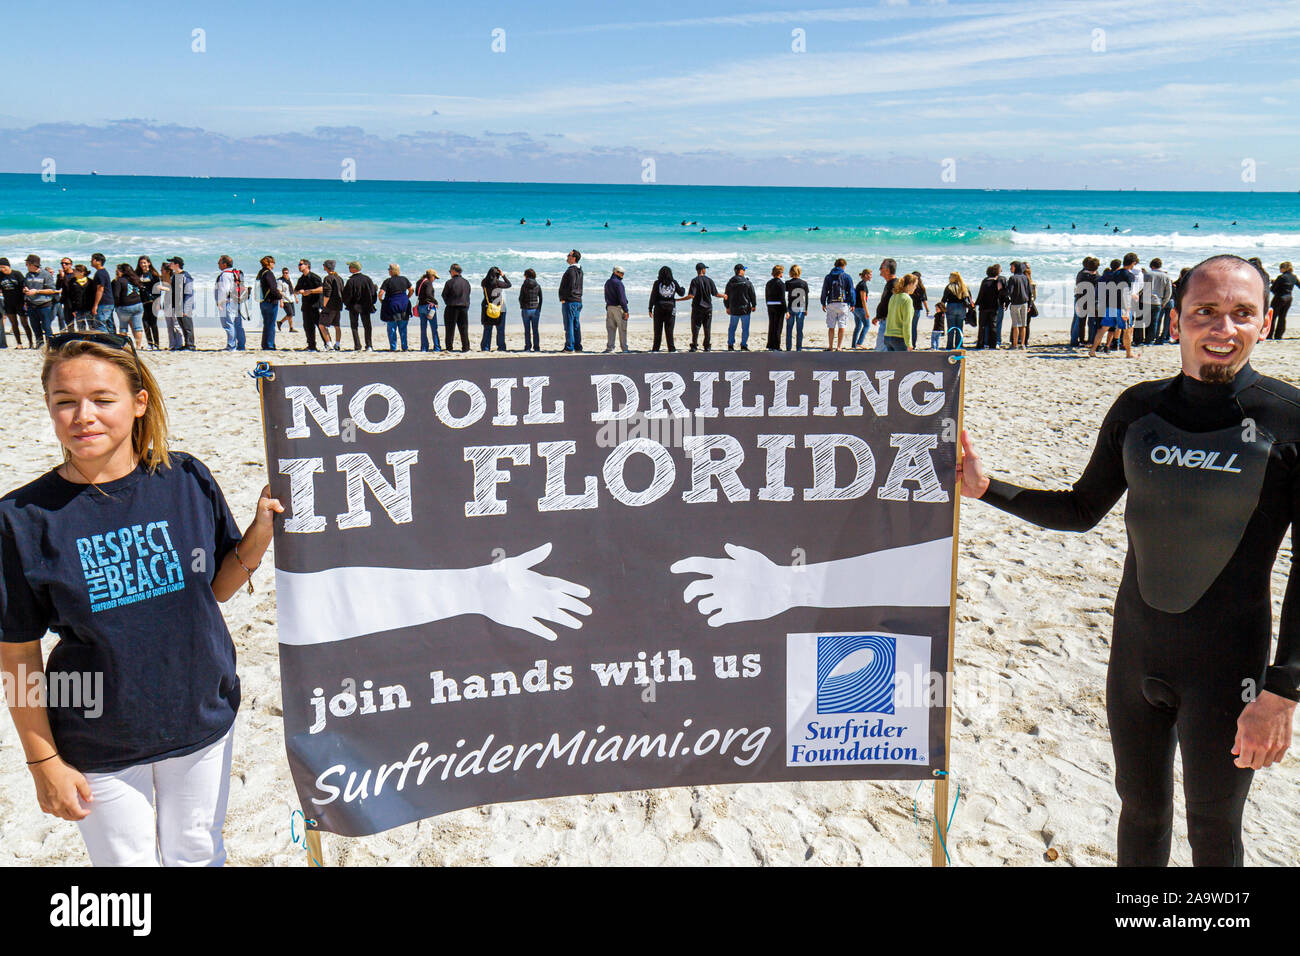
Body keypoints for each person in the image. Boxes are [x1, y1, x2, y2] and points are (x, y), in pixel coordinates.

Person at [957, 255, 1297, 867]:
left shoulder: (1287, 419)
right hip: (1135, 657)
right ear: (1175, 321)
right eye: (1206, 312)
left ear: (1265, 322)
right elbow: (1083, 509)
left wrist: (1283, 691)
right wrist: (989, 491)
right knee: (1139, 814)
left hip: (1230, 671)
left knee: (1214, 830)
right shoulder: (1138, 408)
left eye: (1242, 313)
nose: (1223, 328)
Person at [0, 331, 282, 866]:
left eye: (102, 400)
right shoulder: (21, 518)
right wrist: (44, 763)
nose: (83, 415)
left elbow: (215, 589)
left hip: (200, 711)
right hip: (96, 735)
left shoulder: (186, 478)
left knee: (198, 853)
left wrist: (259, 534)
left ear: (138, 403)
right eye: (65, 402)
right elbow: (17, 653)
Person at [819, 258, 854, 351]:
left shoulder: (828, 277)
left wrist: (823, 302)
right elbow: (851, 291)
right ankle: (839, 347)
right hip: (843, 303)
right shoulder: (847, 276)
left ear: (835, 265)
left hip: (831, 302)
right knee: (842, 325)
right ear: (843, 266)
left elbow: (824, 291)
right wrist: (852, 303)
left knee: (831, 326)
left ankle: (830, 346)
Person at [648, 266, 686, 352]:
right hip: (671, 308)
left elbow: (653, 296)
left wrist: (650, 308)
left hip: (659, 308)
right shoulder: (674, 283)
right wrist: (683, 288)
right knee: (669, 329)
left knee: (657, 330)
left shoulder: (657, 283)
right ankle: (671, 348)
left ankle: (655, 349)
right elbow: (681, 293)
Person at [24, 255, 58, 346]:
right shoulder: (28, 275)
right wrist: (25, 290)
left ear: (33, 265)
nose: (26, 266)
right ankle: (40, 344)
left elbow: (52, 290)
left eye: (27, 264)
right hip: (31, 304)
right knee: (35, 326)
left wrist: (37, 291)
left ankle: (50, 344)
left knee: (46, 326)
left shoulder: (46, 275)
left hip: (44, 305)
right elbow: (26, 286)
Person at [214, 256, 247, 352]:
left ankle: (231, 346)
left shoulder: (225, 275)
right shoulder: (235, 273)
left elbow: (224, 290)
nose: (218, 264)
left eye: (219, 263)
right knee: (238, 324)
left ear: (224, 264)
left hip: (228, 302)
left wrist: (220, 303)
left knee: (228, 324)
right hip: (236, 301)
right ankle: (241, 345)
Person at [342, 262, 377, 351]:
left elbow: (346, 295)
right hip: (366, 306)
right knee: (367, 326)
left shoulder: (351, 281)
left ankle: (357, 346)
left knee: (354, 326)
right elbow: (373, 293)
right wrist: (372, 303)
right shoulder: (367, 279)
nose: (349, 268)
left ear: (354, 268)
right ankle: (369, 345)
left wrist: (347, 304)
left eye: (350, 267)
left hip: (354, 306)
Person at [687, 262, 722, 352]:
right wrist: (724, 296)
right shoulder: (709, 280)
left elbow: (691, 295)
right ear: (702, 270)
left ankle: (694, 345)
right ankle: (707, 346)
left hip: (697, 307)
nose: (705, 270)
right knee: (707, 327)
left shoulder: (694, 281)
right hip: (708, 308)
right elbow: (716, 294)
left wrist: (679, 299)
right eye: (705, 269)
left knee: (695, 327)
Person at [378, 264, 413, 351]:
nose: (388, 271)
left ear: (392, 271)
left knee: (392, 328)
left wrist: (381, 300)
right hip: (404, 305)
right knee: (403, 328)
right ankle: (405, 347)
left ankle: (393, 347)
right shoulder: (404, 279)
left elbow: (381, 293)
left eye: (389, 269)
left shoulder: (388, 281)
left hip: (392, 306)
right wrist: (407, 297)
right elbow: (412, 289)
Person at [110, 264, 145, 350]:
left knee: (123, 327)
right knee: (138, 327)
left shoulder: (120, 281)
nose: (116, 271)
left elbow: (116, 295)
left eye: (117, 269)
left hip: (125, 305)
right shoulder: (135, 279)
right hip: (138, 304)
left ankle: (124, 345)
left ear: (121, 271)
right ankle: (138, 346)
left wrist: (116, 306)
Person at [165, 258, 196, 351]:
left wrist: (186, 309)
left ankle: (190, 345)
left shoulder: (185, 276)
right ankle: (187, 344)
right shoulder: (174, 276)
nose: (169, 264)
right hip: (177, 305)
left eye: (171, 263)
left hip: (184, 305)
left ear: (177, 264)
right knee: (182, 326)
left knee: (187, 326)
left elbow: (189, 293)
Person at [723, 264, 756, 351]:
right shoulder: (747, 282)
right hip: (745, 309)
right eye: (744, 270)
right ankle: (744, 345)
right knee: (745, 328)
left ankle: (730, 345)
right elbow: (752, 294)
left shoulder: (730, 282)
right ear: (741, 271)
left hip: (734, 309)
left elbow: (726, 295)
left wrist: (727, 306)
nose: (745, 271)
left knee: (732, 328)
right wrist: (754, 305)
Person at [479, 266, 511, 352]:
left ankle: (485, 347)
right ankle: (501, 347)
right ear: (498, 274)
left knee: (487, 328)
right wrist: (503, 275)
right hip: (499, 307)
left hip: (487, 306)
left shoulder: (484, 282)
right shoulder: (498, 283)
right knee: (500, 329)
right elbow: (509, 284)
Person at [441, 264, 472, 353]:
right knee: (464, 329)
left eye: (450, 271)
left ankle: (449, 347)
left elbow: (444, 295)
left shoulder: (449, 282)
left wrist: (448, 302)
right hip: (463, 307)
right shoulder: (466, 282)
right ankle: (465, 347)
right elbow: (468, 294)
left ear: (453, 271)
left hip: (452, 307)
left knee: (450, 329)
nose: (450, 273)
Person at [882, 272, 916, 351]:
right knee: (903, 363)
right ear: (910, 284)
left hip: (888, 336)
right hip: (899, 338)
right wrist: (909, 343)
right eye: (915, 285)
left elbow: (889, 317)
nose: (915, 287)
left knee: (892, 363)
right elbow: (907, 323)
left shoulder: (893, 297)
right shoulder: (907, 299)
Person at [939, 272, 973, 350]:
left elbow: (944, 299)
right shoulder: (964, 287)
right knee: (959, 327)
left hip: (951, 306)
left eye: (950, 276)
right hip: (961, 307)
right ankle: (959, 344)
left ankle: (950, 345)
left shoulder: (949, 287)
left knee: (951, 328)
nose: (949, 278)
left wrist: (942, 310)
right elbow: (969, 298)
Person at [294, 260, 323, 352]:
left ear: (307, 266)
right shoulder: (301, 279)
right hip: (306, 306)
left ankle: (327, 344)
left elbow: (322, 289)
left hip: (316, 305)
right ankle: (311, 346)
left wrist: (310, 291)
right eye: (299, 264)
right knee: (307, 326)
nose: (299, 266)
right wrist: (299, 292)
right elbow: (295, 291)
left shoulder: (314, 277)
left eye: (301, 264)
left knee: (320, 326)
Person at [558, 250, 584, 352]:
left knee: (569, 325)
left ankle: (569, 347)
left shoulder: (571, 270)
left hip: (570, 300)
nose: (567, 256)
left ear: (573, 258)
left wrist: (563, 298)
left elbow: (570, 286)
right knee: (575, 324)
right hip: (577, 300)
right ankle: (577, 346)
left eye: (569, 255)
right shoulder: (579, 270)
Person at [1072, 257, 1100, 348]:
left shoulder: (1081, 275)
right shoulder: (1098, 277)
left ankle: (1081, 340)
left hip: (1081, 300)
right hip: (1092, 302)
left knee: (1081, 322)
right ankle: (1090, 340)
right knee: (1091, 322)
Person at [1146, 258, 1174, 345]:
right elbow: (1169, 291)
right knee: (1155, 322)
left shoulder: (1147, 274)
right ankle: (1150, 340)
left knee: (1146, 321)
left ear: (1151, 265)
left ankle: (1145, 339)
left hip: (1146, 300)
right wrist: (1164, 302)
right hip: (1158, 301)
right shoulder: (1166, 276)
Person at [136, 257, 161, 350]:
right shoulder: (138, 274)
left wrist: (157, 301)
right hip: (143, 302)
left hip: (153, 301)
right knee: (145, 322)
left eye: (144, 263)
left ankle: (156, 344)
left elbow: (158, 289)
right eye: (141, 263)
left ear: (149, 263)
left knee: (153, 323)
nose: (143, 265)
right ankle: (150, 343)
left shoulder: (154, 275)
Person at [319, 261, 345, 352]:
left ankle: (329, 344)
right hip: (338, 305)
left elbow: (327, 293)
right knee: (337, 326)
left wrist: (324, 305)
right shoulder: (339, 278)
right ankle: (337, 344)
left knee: (321, 325)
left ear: (326, 267)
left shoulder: (327, 278)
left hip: (330, 305)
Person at [62, 265, 96, 335]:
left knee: (91, 325)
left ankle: (92, 340)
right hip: (77, 308)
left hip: (88, 308)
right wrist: (73, 309)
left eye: (76, 271)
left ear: (82, 272)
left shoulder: (90, 282)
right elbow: (69, 296)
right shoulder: (72, 282)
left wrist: (94, 307)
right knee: (80, 327)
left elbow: (94, 295)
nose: (74, 272)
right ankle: (83, 340)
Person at [1004, 261, 1031, 350]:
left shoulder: (1012, 278)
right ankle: (1023, 344)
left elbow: (1009, 292)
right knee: (1023, 325)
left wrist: (1006, 302)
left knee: (1015, 325)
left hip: (1015, 303)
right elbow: (1029, 291)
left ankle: (1015, 345)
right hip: (1024, 303)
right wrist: (1030, 304)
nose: (1010, 269)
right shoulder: (1025, 278)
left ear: (1016, 267)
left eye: (1012, 267)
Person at [255, 256, 280, 352]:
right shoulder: (269, 273)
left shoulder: (260, 273)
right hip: (271, 301)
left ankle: (265, 343)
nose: (274, 264)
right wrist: (280, 296)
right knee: (271, 324)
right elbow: (273, 288)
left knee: (266, 323)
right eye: (273, 262)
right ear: (269, 263)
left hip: (262, 301)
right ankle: (269, 344)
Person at [873, 259, 898, 352]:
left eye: (881, 268)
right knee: (883, 349)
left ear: (887, 270)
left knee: (881, 350)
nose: (880, 270)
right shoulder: (890, 284)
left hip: (889, 322)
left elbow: (894, 305)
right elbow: (886, 302)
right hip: (885, 320)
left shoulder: (895, 284)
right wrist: (878, 316)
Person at [604, 266, 630, 353]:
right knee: (622, 328)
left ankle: (610, 347)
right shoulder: (618, 283)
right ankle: (624, 348)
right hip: (618, 307)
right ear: (615, 272)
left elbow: (606, 296)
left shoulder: (607, 282)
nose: (622, 275)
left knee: (611, 328)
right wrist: (626, 310)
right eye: (621, 273)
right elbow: (622, 298)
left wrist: (607, 306)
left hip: (609, 307)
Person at [1268, 262, 1297, 340]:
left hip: (1279, 298)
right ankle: (1278, 335)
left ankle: (1269, 335)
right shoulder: (1294, 277)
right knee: (1282, 317)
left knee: (1273, 317)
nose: (1280, 269)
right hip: (1289, 298)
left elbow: (1273, 288)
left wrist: (1273, 286)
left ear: (1285, 268)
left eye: (1281, 267)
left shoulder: (1281, 277)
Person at [415, 269, 441, 353]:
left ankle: (424, 347)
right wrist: (436, 302)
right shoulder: (428, 283)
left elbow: (416, 293)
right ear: (431, 276)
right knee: (434, 328)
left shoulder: (419, 282)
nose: (434, 280)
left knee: (423, 328)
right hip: (429, 307)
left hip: (420, 307)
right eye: (435, 278)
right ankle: (437, 347)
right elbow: (429, 294)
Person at [785, 265, 810, 352]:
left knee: (789, 329)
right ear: (799, 272)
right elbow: (806, 297)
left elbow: (783, 296)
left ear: (791, 272)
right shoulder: (804, 283)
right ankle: (798, 348)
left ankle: (788, 348)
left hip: (791, 307)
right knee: (799, 330)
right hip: (800, 308)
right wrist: (806, 308)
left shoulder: (788, 283)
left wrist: (786, 310)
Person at [518, 268, 543, 352]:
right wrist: (539, 308)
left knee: (527, 330)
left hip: (526, 309)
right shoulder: (537, 285)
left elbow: (520, 298)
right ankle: (537, 347)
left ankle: (528, 347)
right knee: (535, 329)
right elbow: (541, 298)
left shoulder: (524, 285)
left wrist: (522, 306)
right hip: (535, 309)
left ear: (526, 275)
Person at [90, 253, 116, 335]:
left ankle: (106, 343)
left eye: (92, 259)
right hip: (109, 302)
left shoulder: (100, 273)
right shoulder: (103, 272)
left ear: (98, 261)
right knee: (109, 325)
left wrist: (95, 305)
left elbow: (100, 289)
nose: (91, 261)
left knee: (100, 324)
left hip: (104, 303)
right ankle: (113, 342)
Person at [764, 265, 787, 350]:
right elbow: (782, 298)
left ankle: (770, 345)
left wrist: (767, 305)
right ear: (780, 273)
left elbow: (766, 295)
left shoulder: (769, 283)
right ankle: (776, 346)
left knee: (771, 325)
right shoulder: (781, 284)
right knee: (778, 326)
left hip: (770, 305)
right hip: (778, 306)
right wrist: (786, 310)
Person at [908, 270, 929, 349]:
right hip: (917, 309)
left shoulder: (908, 286)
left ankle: (907, 343)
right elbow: (924, 300)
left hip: (908, 308)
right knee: (913, 327)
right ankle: (913, 344)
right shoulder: (922, 288)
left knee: (907, 326)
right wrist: (927, 309)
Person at [851, 269, 871, 349]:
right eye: (870, 274)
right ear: (866, 275)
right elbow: (863, 299)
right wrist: (866, 312)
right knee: (867, 325)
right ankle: (859, 343)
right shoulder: (863, 285)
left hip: (855, 308)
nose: (871, 276)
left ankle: (853, 345)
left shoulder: (860, 284)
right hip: (860, 308)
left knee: (858, 326)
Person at [277, 268, 297, 335]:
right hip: (285, 299)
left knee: (291, 314)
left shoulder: (290, 280)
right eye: (284, 273)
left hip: (291, 298)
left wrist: (296, 297)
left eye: (286, 273)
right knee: (290, 314)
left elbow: (293, 289)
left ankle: (280, 322)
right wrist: (281, 301)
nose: (285, 274)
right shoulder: (280, 281)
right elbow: (279, 291)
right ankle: (291, 328)